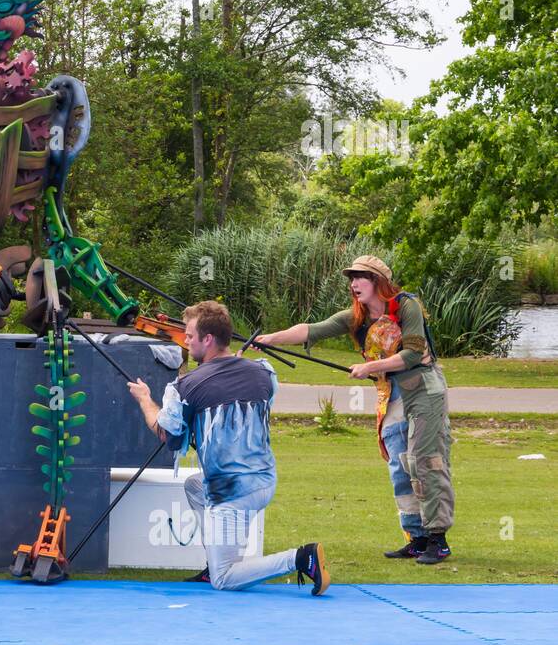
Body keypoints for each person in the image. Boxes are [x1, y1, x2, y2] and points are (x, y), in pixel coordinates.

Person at [255, 255, 453, 564]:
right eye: (352, 278)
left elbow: (414, 353)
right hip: (390, 392)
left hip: (424, 389)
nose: (354, 283)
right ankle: (417, 538)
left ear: (378, 282)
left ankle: (437, 539)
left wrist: (369, 366)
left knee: (424, 460)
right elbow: (310, 330)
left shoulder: (406, 306)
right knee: (399, 466)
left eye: (361, 277)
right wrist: (269, 339)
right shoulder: (355, 317)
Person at [127, 300, 330, 595]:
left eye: (190, 336)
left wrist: (145, 399)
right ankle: (215, 560)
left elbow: (165, 434)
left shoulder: (184, 387)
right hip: (264, 482)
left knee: (226, 579)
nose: (186, 340)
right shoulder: (263, 373)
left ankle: (301, 558)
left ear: (208, 340)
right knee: (195, 486)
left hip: (232, 493)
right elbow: (245, 397)